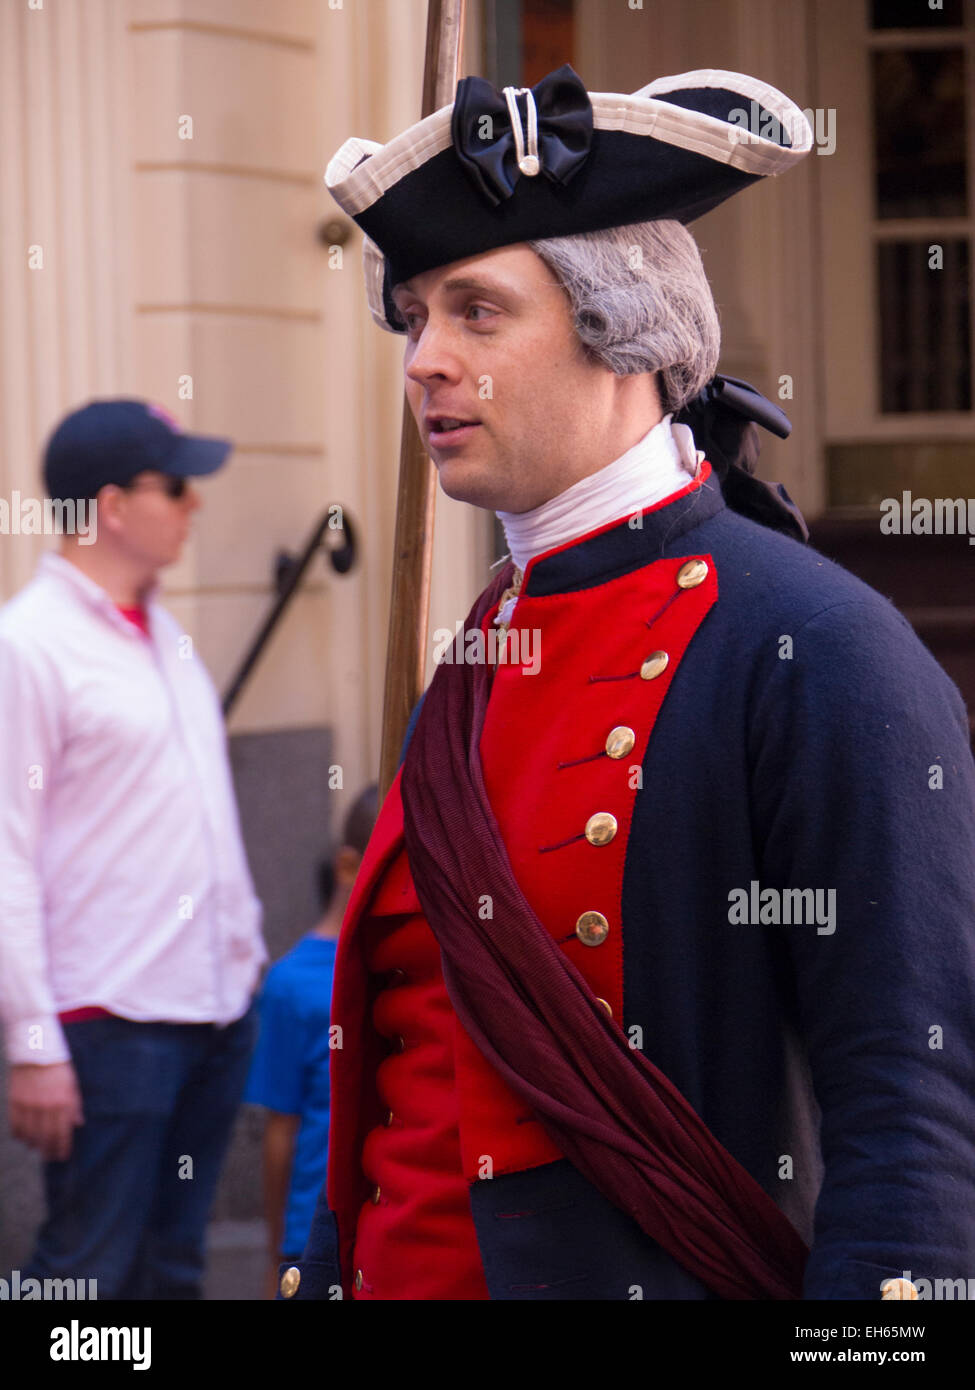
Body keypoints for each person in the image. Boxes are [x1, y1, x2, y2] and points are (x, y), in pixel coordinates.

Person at [277, 66, 975, 1301]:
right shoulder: (480, 650)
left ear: (626, 335)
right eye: (416, 316)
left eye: (477, 312)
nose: (426, 360)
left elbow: (909, 1108)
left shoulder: (817, 647)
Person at [0, 399, 266, 1300]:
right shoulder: (28, 646)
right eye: (178, 487)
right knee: (84, 1274)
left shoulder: (162, 632)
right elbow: (6, 852)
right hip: (110, 1022)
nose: (195, 507)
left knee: (171, 1269)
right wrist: (33, 1042)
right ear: (113, 506)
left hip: (210, 1008)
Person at [245, 785, 378, 1299]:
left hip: (393, 1217)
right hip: (312, 1236)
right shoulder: (290, 984)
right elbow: (281, 1127)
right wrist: (275, 1252)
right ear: (348, 867)